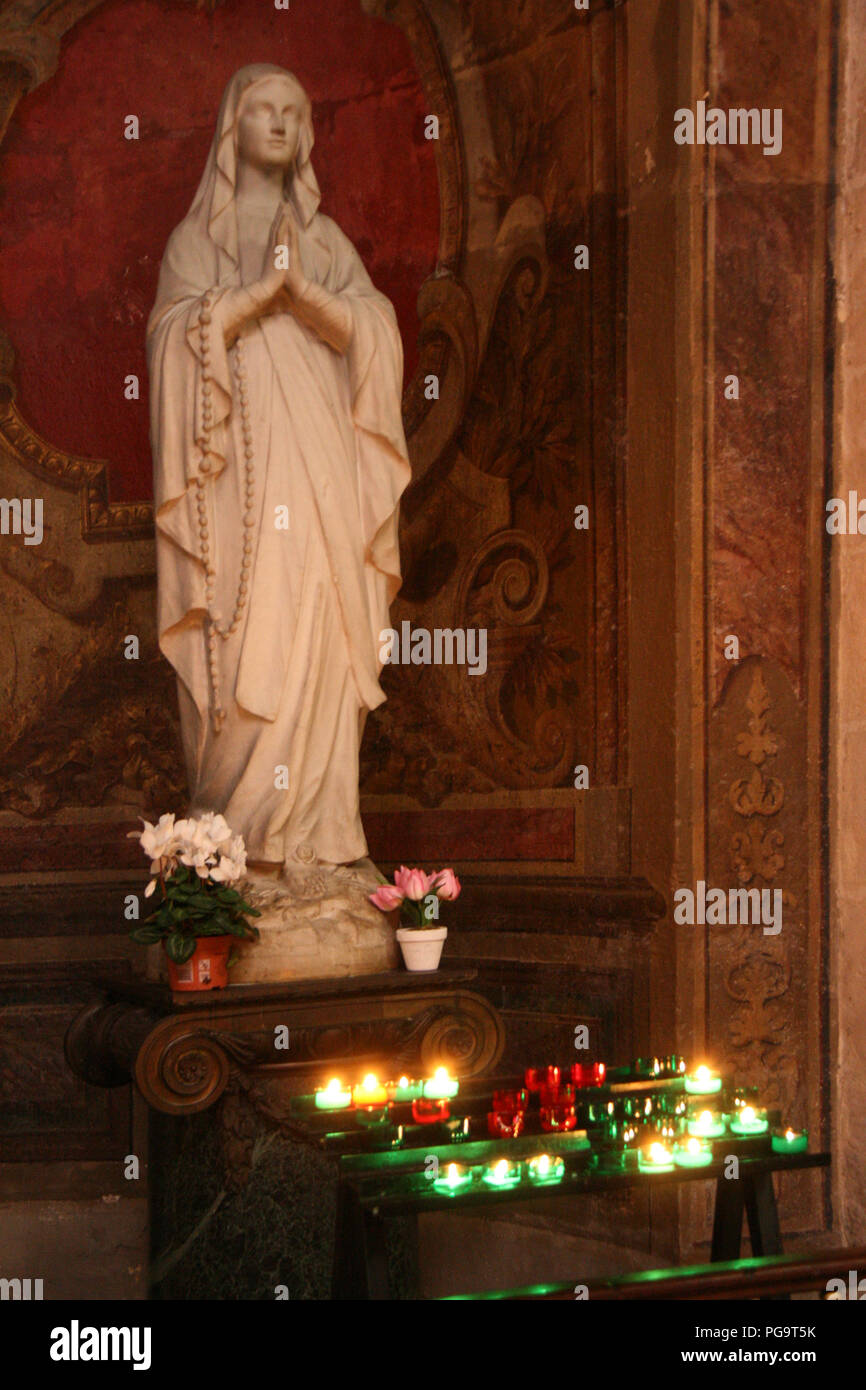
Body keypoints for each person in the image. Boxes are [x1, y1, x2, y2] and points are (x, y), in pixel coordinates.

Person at [147, 64, 410, 877]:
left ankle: (323, 843)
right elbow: (169, 342)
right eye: (262, 109)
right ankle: (235, 851)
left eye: (294, 111)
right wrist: (259, 295)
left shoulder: (325, 240)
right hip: (236, 487)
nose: (278, 123)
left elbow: (375, 331)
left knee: (325, 619)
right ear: (233, 126)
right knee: (251, 619)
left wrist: (308, 297)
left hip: (320, 471)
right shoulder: (199, 241)